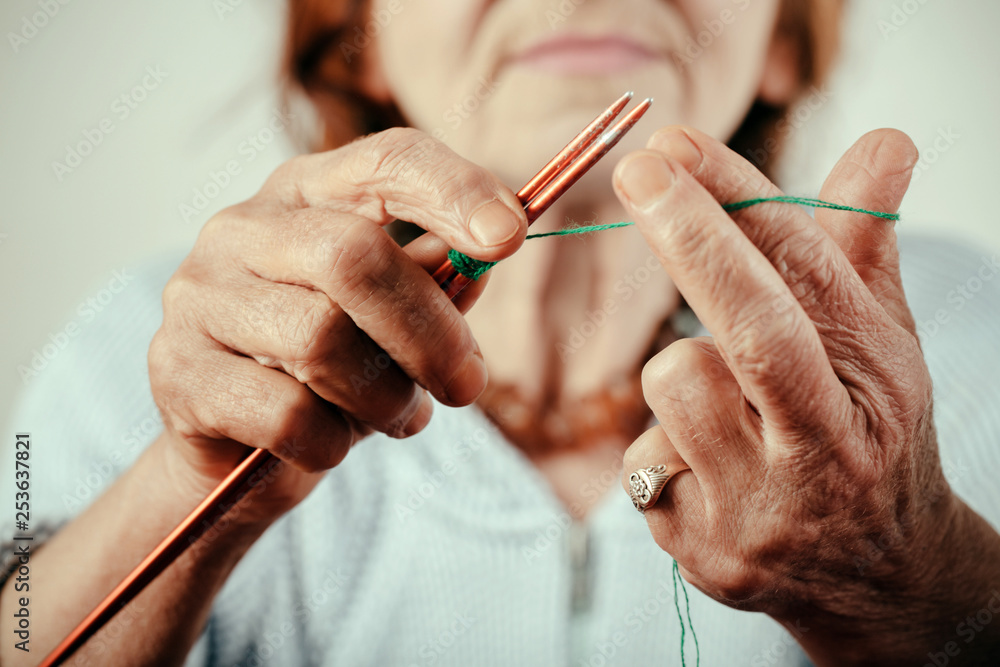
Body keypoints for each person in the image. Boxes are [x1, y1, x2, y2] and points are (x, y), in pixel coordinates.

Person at [3, 0, 1000, 664]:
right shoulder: (143, 342)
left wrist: (907, 581)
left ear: (782, 39)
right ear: (361, 35)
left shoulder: (975, 338)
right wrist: (188, 489)